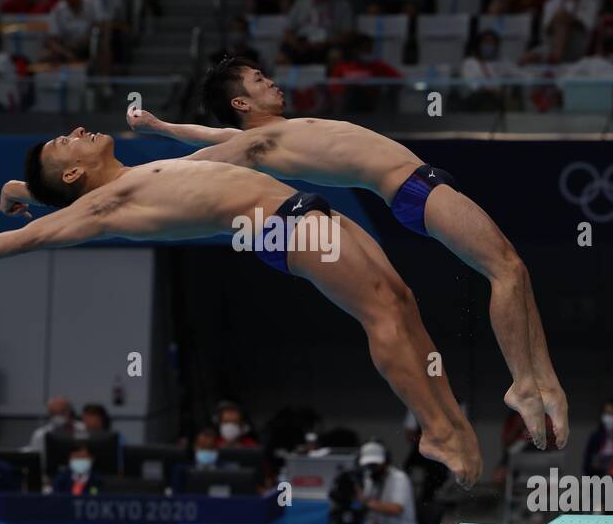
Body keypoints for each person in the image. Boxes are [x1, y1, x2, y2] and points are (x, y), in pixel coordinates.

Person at [0, 128, 483, 486]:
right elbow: (25, 238)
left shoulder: (130, 176)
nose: (77, 130)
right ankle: (435, 431)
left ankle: (450, 422)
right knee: (381, 314)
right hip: (284, 229)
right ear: (77, 173)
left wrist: (17, 190)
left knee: (403, 302)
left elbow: (51, 197)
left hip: (309, 211)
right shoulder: (105, 203)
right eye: (66, 142)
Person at [127, 60, 569, 450]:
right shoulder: (255, 144)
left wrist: (161, 127)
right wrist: (130, 175)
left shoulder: (268, 133)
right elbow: (202, 160)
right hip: (414, 189)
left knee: (515, 269)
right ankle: (523, 386)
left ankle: (541, 379)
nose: (272, 82)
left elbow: (214, 134)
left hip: (423, 184)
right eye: (259, 79)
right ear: (243, 102)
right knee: (504, 270)